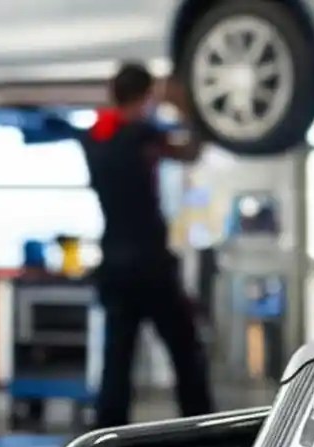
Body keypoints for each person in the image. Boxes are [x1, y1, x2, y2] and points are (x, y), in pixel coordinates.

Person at [80, 63, 214, 428]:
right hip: (151, 264)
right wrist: (185, 106)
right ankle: (203, 434)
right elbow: (191, 152)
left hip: (114, 262)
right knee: (185, 350)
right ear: (147, 96)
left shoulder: (94, 139)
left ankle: (106, 438)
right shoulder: (144, 134)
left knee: (117, 360)